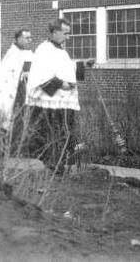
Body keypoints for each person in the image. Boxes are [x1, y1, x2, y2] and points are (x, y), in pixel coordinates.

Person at [24, 18, 93, 170]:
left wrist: (83, 64)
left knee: (64, 132)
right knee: (53, 132)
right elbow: (41, 75)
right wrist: (62, 84)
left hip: (62, 101)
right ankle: (54, 165)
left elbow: (66, 68)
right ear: (55, 32)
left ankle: (62, 161)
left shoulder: (60, 50)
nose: (68, 37)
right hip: (50, 102)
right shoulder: (44, 50)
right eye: (66, 34)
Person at [0, 29, 33, 128]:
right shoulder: (12, 54)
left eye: (30, 38)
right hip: (14, 90)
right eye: (27, 38)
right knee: (13, 118)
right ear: (17, 39)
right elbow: (6, 75)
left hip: (26, 89)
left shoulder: (28, 53)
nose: (30, 40)